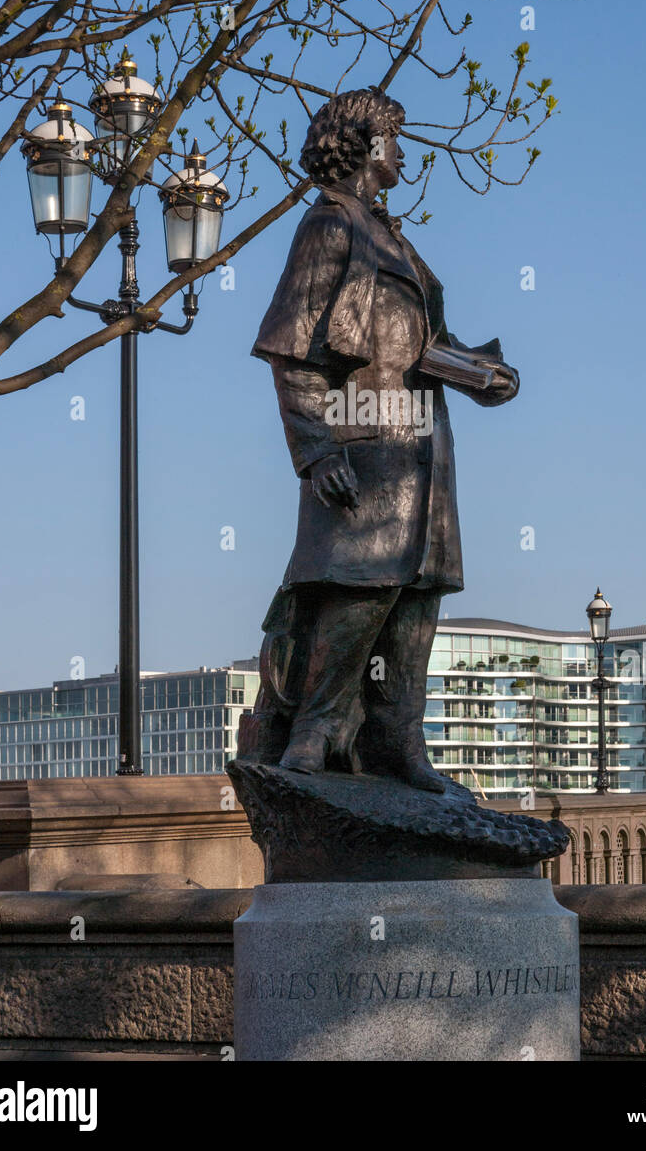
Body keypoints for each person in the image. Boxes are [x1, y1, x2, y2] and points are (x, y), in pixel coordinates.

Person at [244, 87, 519, 792]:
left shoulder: (392, 236)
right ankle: (313, 734)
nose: (402, 151)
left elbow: (427, 343)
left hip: (422, 449)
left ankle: (398, 742)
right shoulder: (330, 227)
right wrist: (317, 450)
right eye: (393, 137)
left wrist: (481, 373)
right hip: (365, 445)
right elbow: (294, 348)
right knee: (359, 590)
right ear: (364, 144)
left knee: (416, 601)